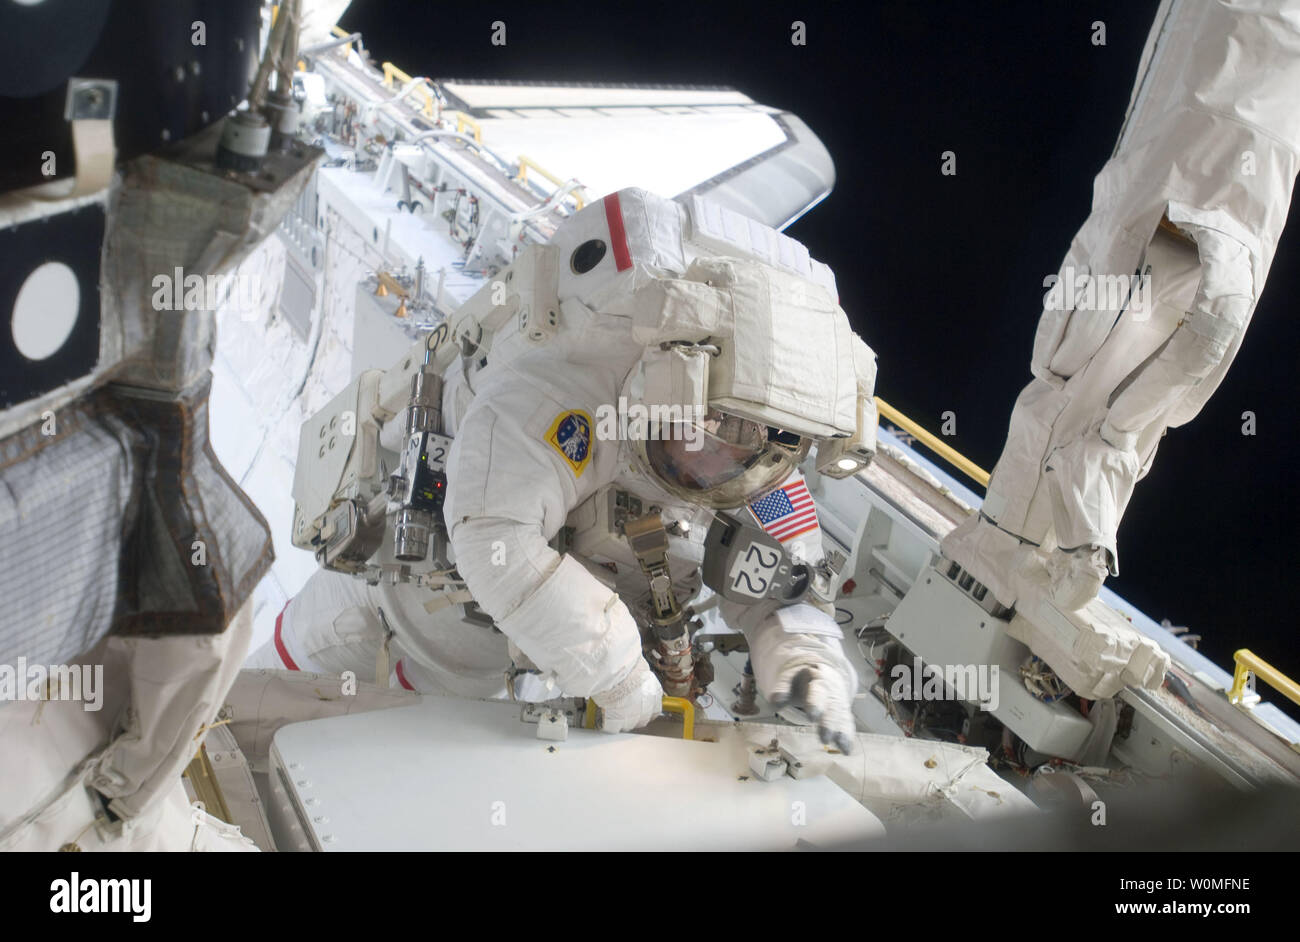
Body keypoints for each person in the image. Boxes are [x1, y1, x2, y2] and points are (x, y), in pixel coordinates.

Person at [248, 188, 878, 753]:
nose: (715, 465)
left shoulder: (762, 477)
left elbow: (786, 596)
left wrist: (807, 669)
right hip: (372, 621)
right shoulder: (571, 394)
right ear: (670, 383)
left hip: (476, 668)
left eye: (745, 452)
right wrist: (621, 676)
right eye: (703, 434)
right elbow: (494, 531)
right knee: (244, 719)